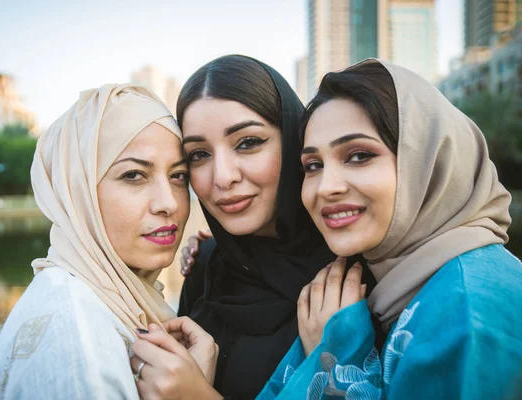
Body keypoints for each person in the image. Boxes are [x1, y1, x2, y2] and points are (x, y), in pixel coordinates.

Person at [258, 59, 522, 399]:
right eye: (313, 165)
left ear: (429, 162)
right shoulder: (402, 283)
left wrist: (337, 359)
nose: (326, 187)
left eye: (359, 155)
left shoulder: (469, 318)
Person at [132, 54, 369, 399]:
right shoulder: (206, 266)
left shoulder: (355, 276)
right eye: (199, 154)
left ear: (292, 140)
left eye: (248, 143)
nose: (223, 177)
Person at [0, 84, 205, 399]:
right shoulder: (75, 349)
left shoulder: (110, 295)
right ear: (78, 192)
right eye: (133, 175)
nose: (168, 202)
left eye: (178, 176)